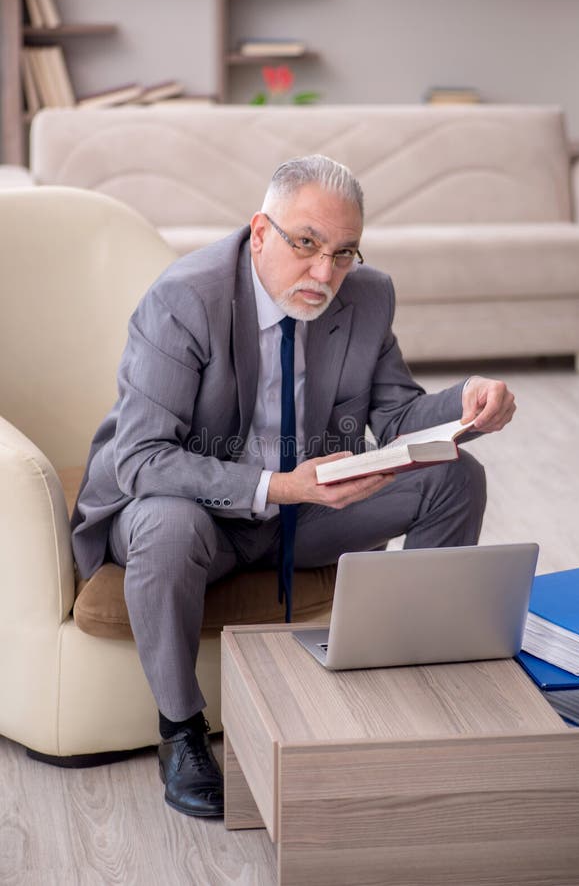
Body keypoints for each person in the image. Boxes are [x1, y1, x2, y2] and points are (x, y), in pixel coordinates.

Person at [71, 155, 515, 819]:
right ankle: (182, 731)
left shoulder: (366, 295)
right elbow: (141, 458)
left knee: (454, 478)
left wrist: (469, 402)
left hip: (306, 508)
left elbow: (395, 419)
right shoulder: (184, 299)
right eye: (305, 244)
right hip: (193, 510)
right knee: (167, 524)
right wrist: (279, 486)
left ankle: (407, 677)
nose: (324, 273)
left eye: (342, 253)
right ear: (258, 232)